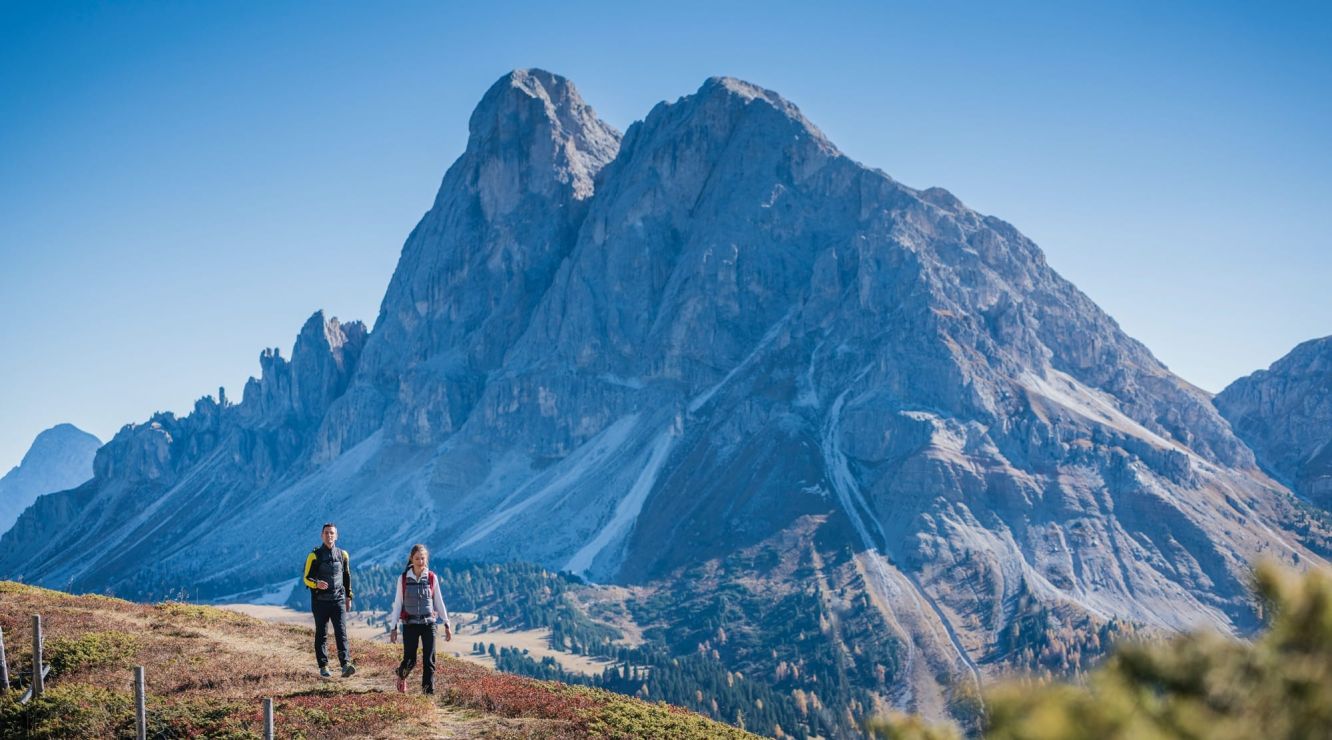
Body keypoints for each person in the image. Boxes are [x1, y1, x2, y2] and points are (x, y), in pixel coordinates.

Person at [388, 543, 452, 694]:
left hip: (429, 624)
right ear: (411, 559)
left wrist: (446, 623)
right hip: (410, 624)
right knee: (410, 660)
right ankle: (401, 675)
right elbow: (398, 604)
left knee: (429, 660)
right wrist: (393, 627)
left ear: (426, 559)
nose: (420, 562)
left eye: (423, 558)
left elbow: (439, 601)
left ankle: (427, 694)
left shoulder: (431, 577)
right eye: (417, 558)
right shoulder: (403, 579)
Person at [302, 522, 356, 678]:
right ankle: (323, 666)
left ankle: (345, 665)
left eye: (332, 533)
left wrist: (348, 596)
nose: (329, 535)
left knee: (341, 632)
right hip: (320, 601)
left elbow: (347, 576)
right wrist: (316, 583)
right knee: (322, 633)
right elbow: (306, 578)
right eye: (326, 533)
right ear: (321, 535)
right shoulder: (314, 555)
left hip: (338, 600)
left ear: (336, 536)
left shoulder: (343, 555)